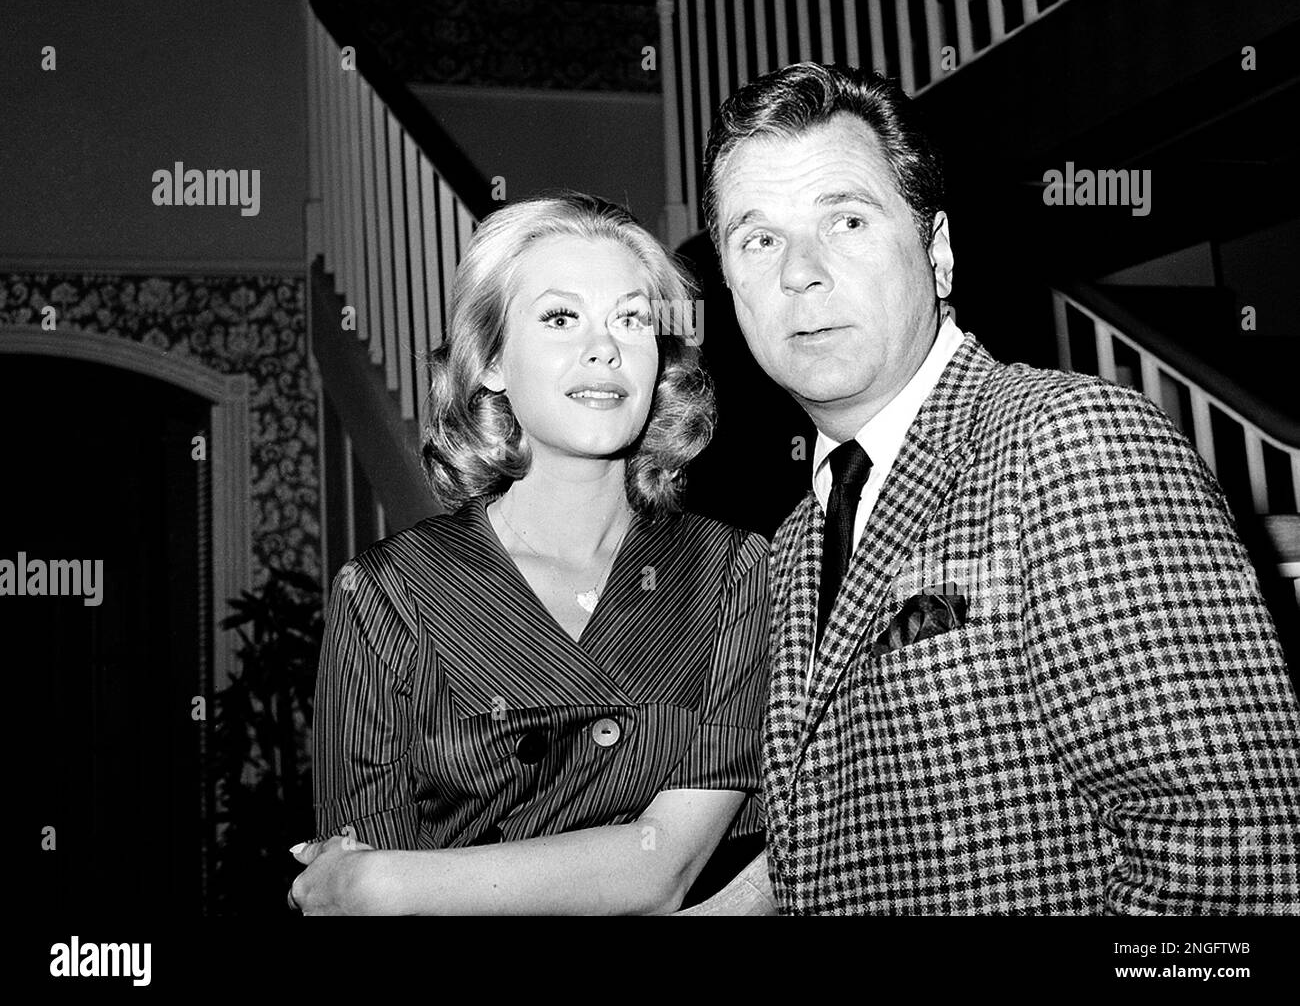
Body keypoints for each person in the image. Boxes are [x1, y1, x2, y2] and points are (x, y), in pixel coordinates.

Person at [704, 61, 1300, 914]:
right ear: (731, 288)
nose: (801, 271)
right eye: (759, 240)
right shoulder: (798, 537)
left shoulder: (1071, 441)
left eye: (846, 219)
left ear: (939, 254)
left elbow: (1240, 855)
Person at [290, 193, 769, 915]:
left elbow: (661, 871)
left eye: (631, 319)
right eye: (559, 317)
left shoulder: (735, 573)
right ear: (490, 363)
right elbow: (350, 886)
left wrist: (385, 884)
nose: (603, 347)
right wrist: (364, 885)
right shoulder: (385, 593)